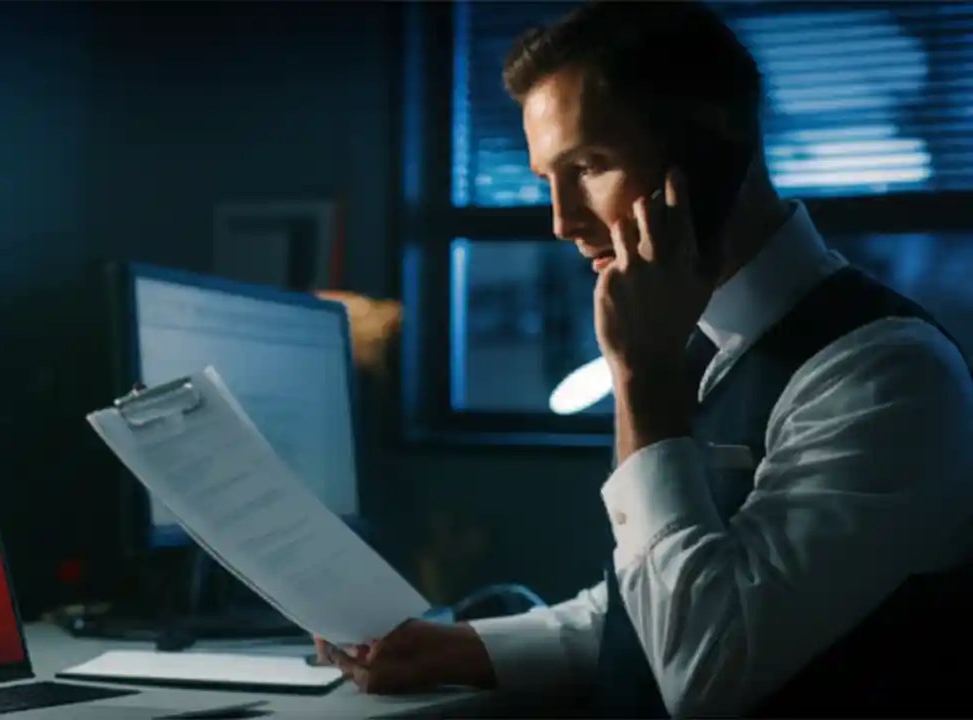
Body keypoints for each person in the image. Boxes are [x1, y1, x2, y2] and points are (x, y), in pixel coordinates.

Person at [317, 1, 973, 716]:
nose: (563, 223)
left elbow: (704, 669)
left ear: (711, 156)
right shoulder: (692, 339)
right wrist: (457, 647)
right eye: (547, 181)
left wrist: (643, 379)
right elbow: (651, 603)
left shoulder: (887, 376)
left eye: (590, 166)